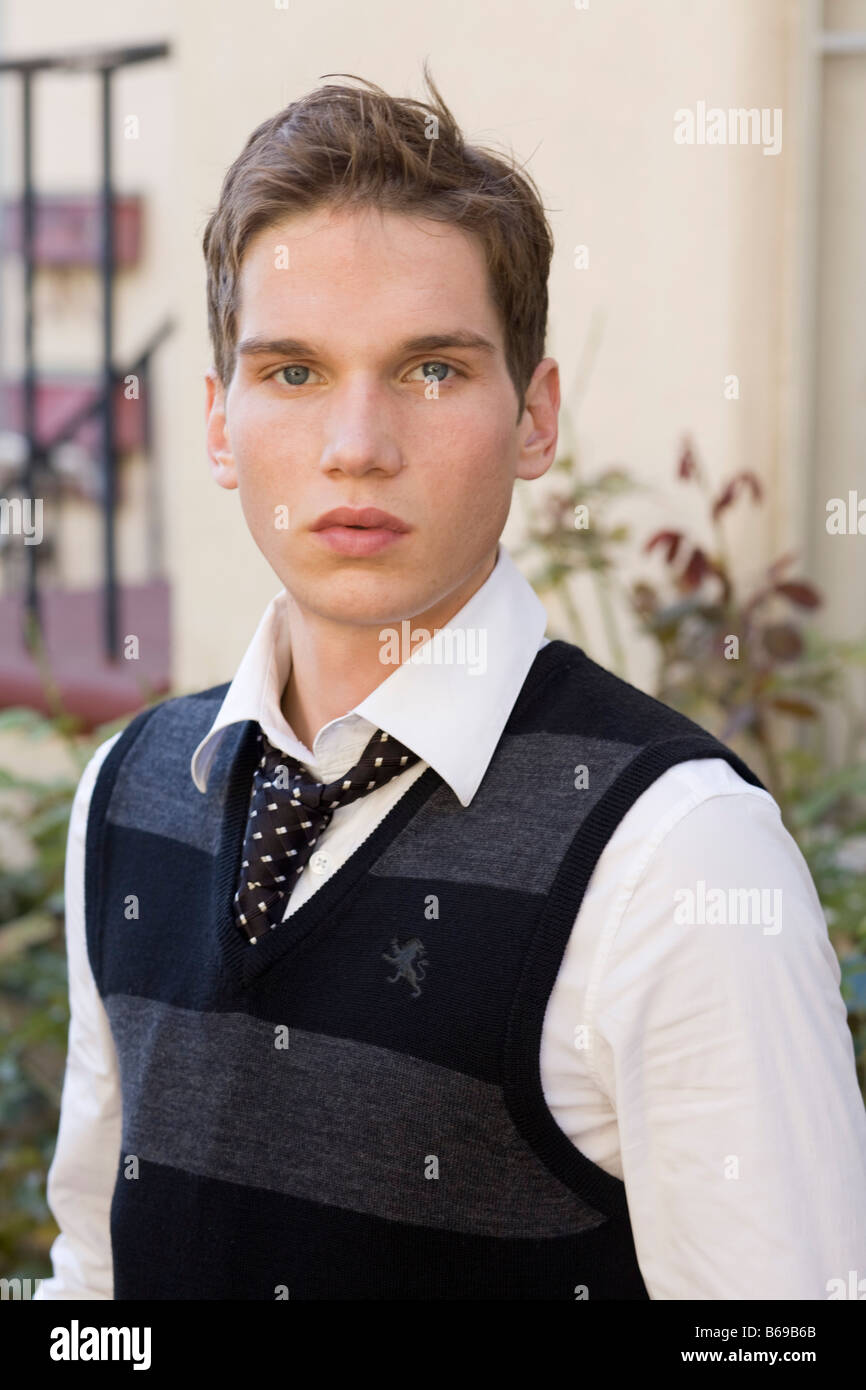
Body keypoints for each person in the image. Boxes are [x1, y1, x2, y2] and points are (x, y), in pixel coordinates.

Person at [36, 65, 866, 1301]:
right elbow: (96, 1275)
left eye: (430, 369)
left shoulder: (681, 859)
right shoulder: (132, 790)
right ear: (218, 423)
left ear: (534, 419)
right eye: (293, 372)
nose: (356, 444)